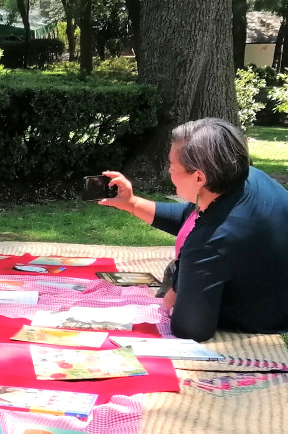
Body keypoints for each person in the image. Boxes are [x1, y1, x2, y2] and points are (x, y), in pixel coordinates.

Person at [99, 118, 288, 341]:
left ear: (199, 177)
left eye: (172, 166)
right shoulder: (245, 178)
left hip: (265, 318)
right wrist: (132, 203)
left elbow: (192, 329)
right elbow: (192, 218)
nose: (169, 171)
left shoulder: (212, 240)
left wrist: (178, 289)